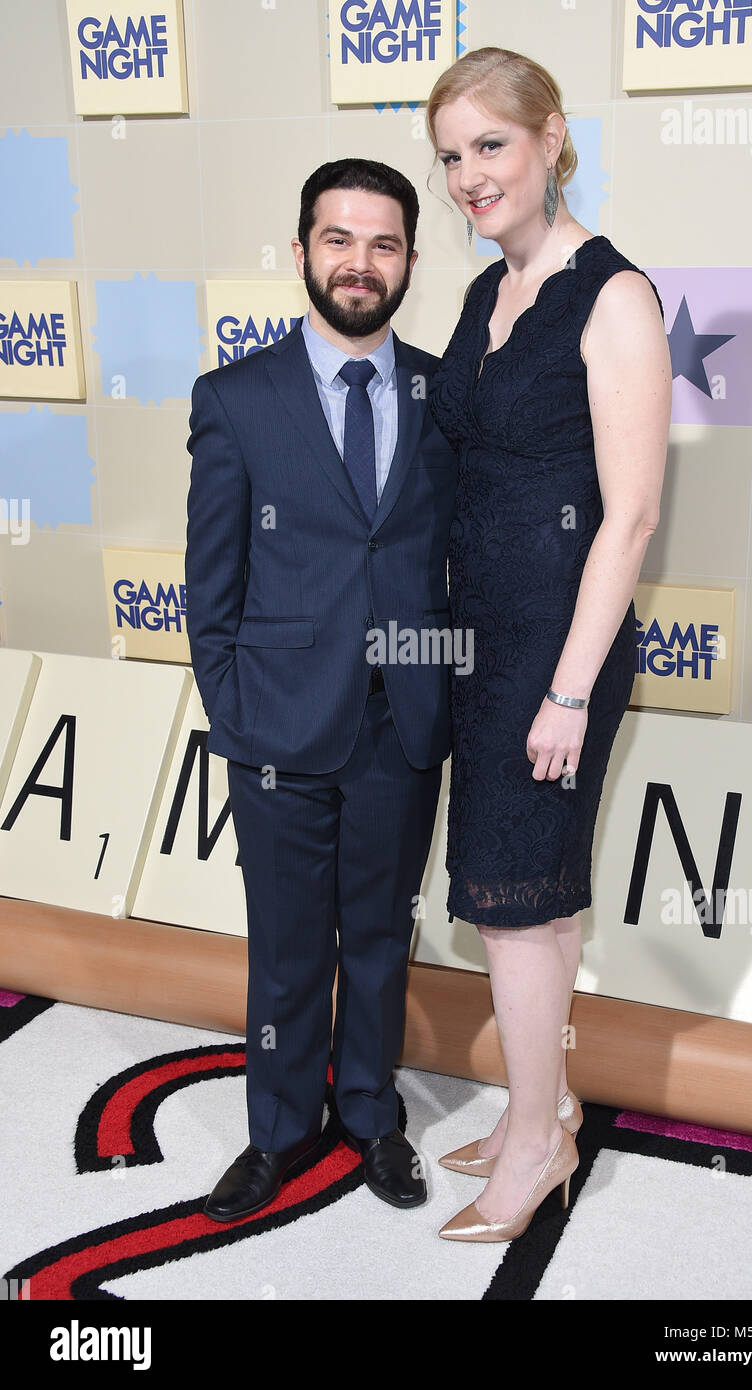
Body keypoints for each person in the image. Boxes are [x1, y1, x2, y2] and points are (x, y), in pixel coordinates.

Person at [424, 48, 672, 1242]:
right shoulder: (488, 291)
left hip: (555, 650)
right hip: (481, 638)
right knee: (516, 897)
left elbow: (628, 517)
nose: (471, 176)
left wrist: (570, 689)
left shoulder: (611, 293)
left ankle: (534, 1144)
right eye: (452, 157)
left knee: (519, 904)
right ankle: (550, 1098)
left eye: (490, 146)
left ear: (550, 138)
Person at [185, 158, 457, 1222]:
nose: (360, 263)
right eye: (338, 239)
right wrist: (235, 711)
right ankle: (277, 1130)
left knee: (381, 934)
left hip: (404, 720)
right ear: (300, 250)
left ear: (409, 262)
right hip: (277, 729)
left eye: (383, 243)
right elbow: (210, 584)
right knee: (287, 947)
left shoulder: (444, 394)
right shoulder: (237, 397)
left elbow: (453, 557)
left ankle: (371, 1114)